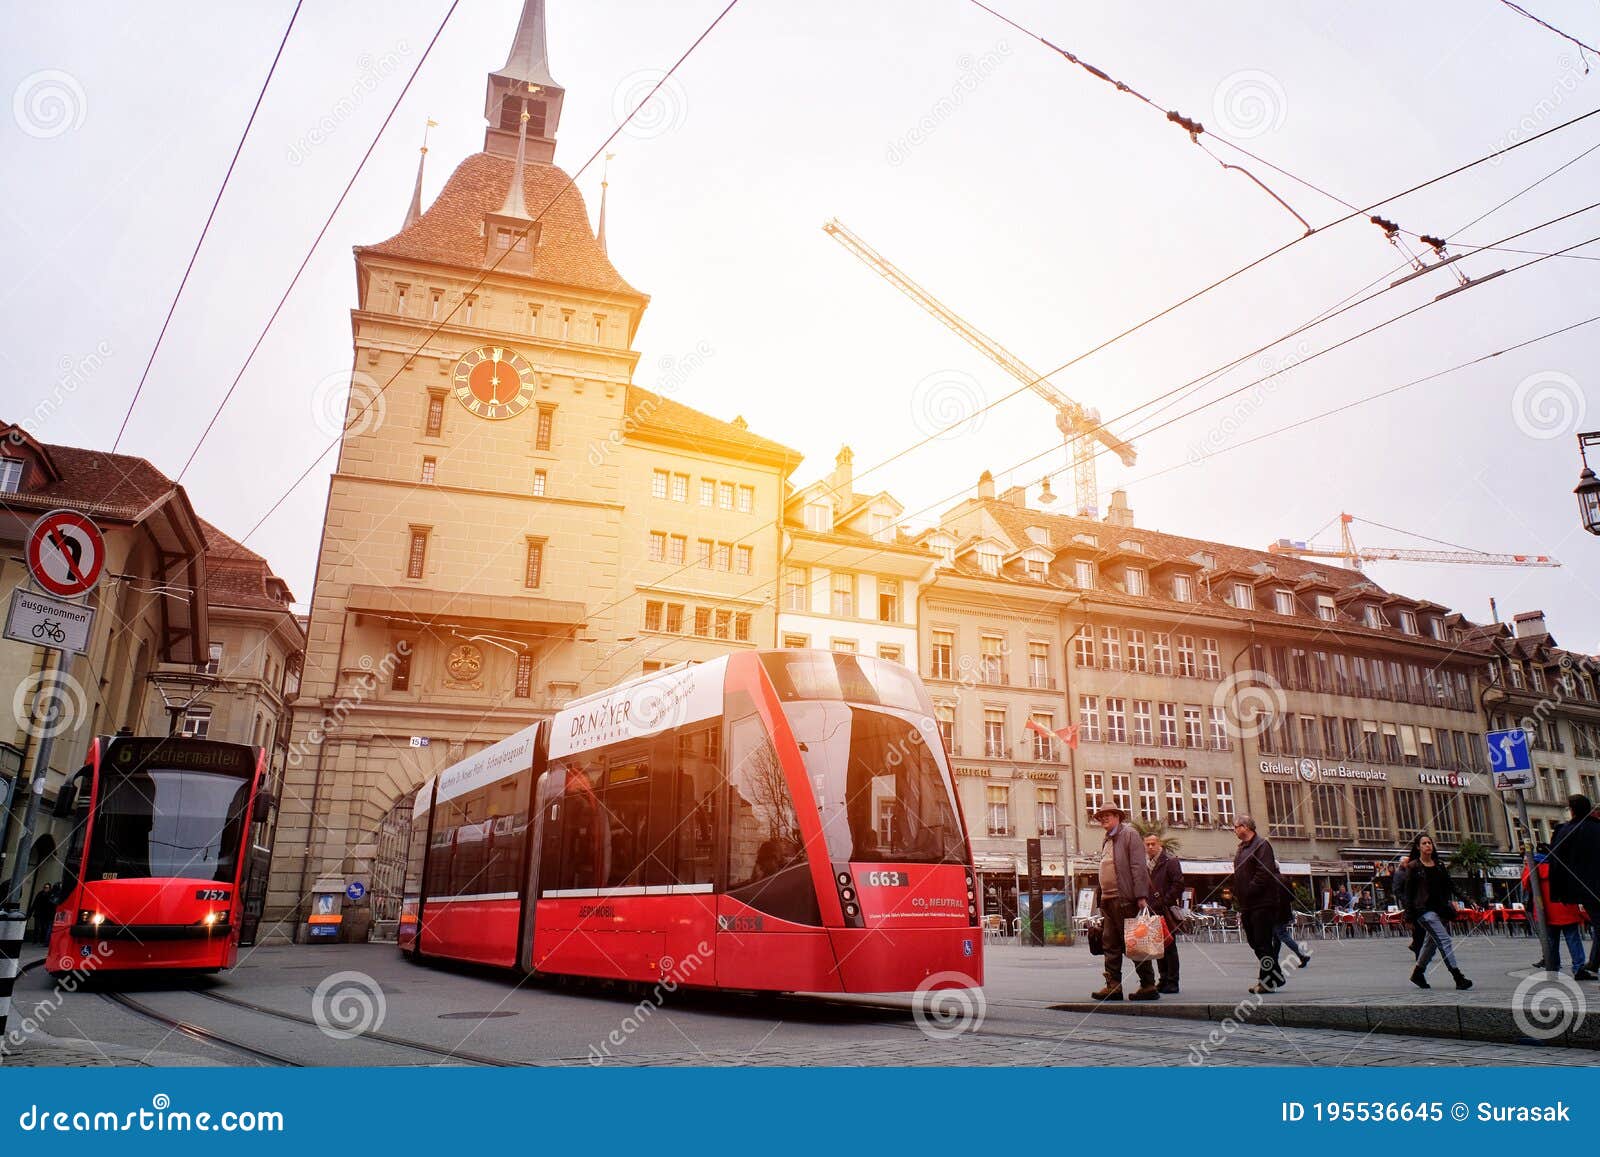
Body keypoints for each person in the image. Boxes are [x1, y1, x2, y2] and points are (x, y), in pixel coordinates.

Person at [1089, 804, 1159, 1002]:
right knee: (1110, 943)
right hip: (1108, 899)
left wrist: (1141, 896)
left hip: (1124, 898)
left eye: (1107, 815)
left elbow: (1138, 866)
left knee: (1134, 943)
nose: (1103, 819)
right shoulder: (1107, 839)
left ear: (1117, 817)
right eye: (1101, 816)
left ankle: (1148, 985)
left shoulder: (1130, 835)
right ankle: (1113, 985)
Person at [1405, 834, 1472, 990]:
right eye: (1424, 843)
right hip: (1424, 911)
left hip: (1440, 910)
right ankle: (1458, 977)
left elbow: (1451, 885)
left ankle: (1418, 973)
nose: (1428, 845)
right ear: (1418, 847)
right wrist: (1408, 917)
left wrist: (1468, 900)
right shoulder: (1413, 866)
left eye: (1429, 842)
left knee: (1431, 943)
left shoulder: (1439, 865)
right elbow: (1408, 894)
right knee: (1444, 940)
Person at [1547, 793, 1600, 980]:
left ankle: (1593, 964)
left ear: (1572, 810)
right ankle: (1592, 964)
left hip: (1582, 888)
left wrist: (1561, 890)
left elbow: (1556, 861)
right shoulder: (1596, 828)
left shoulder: (1565, 830)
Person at [1232, 816, 1286, 994]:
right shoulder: (1242, 848)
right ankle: (1275, 975)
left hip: (1262, 903)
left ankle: (1267, 981)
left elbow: (1264, 873)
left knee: (1262, 943)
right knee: (1254, 941)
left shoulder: (1261, 845)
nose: (1235, 830)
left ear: (1246, 827)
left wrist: (1249, 890)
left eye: (1236, 826)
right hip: (1247, 904)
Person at [1525, 844, 1586, 976]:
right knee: (1573, 939)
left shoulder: (1533, 867)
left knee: (1551, 941)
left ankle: (1553, 967)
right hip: (1566, 908)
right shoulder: (1563, 865)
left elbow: (1527, 885)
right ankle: (1579, 967)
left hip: (1546, 911)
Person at [1144, 834, 1185, 994]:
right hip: (1153, 911)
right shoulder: (1146, 864)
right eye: (1147, 844)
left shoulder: (1170, 861)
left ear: (1159, 844)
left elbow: (1178, 884)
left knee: (1169, 947)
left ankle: (1173, 981)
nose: (1150, 847)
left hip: (1165, 910)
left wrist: (1165, 901)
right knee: (1158, 947)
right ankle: (1163, 979)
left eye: (1153, 843)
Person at [1274, 872, 1312, 969]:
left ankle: (1302, 955)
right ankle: (1274, 961)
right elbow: (1292, 897)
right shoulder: (1286, 879)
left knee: (1282, 935)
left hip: (1275, 913)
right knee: (1276, 937)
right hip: (1285, 912)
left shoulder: (1270, 880)